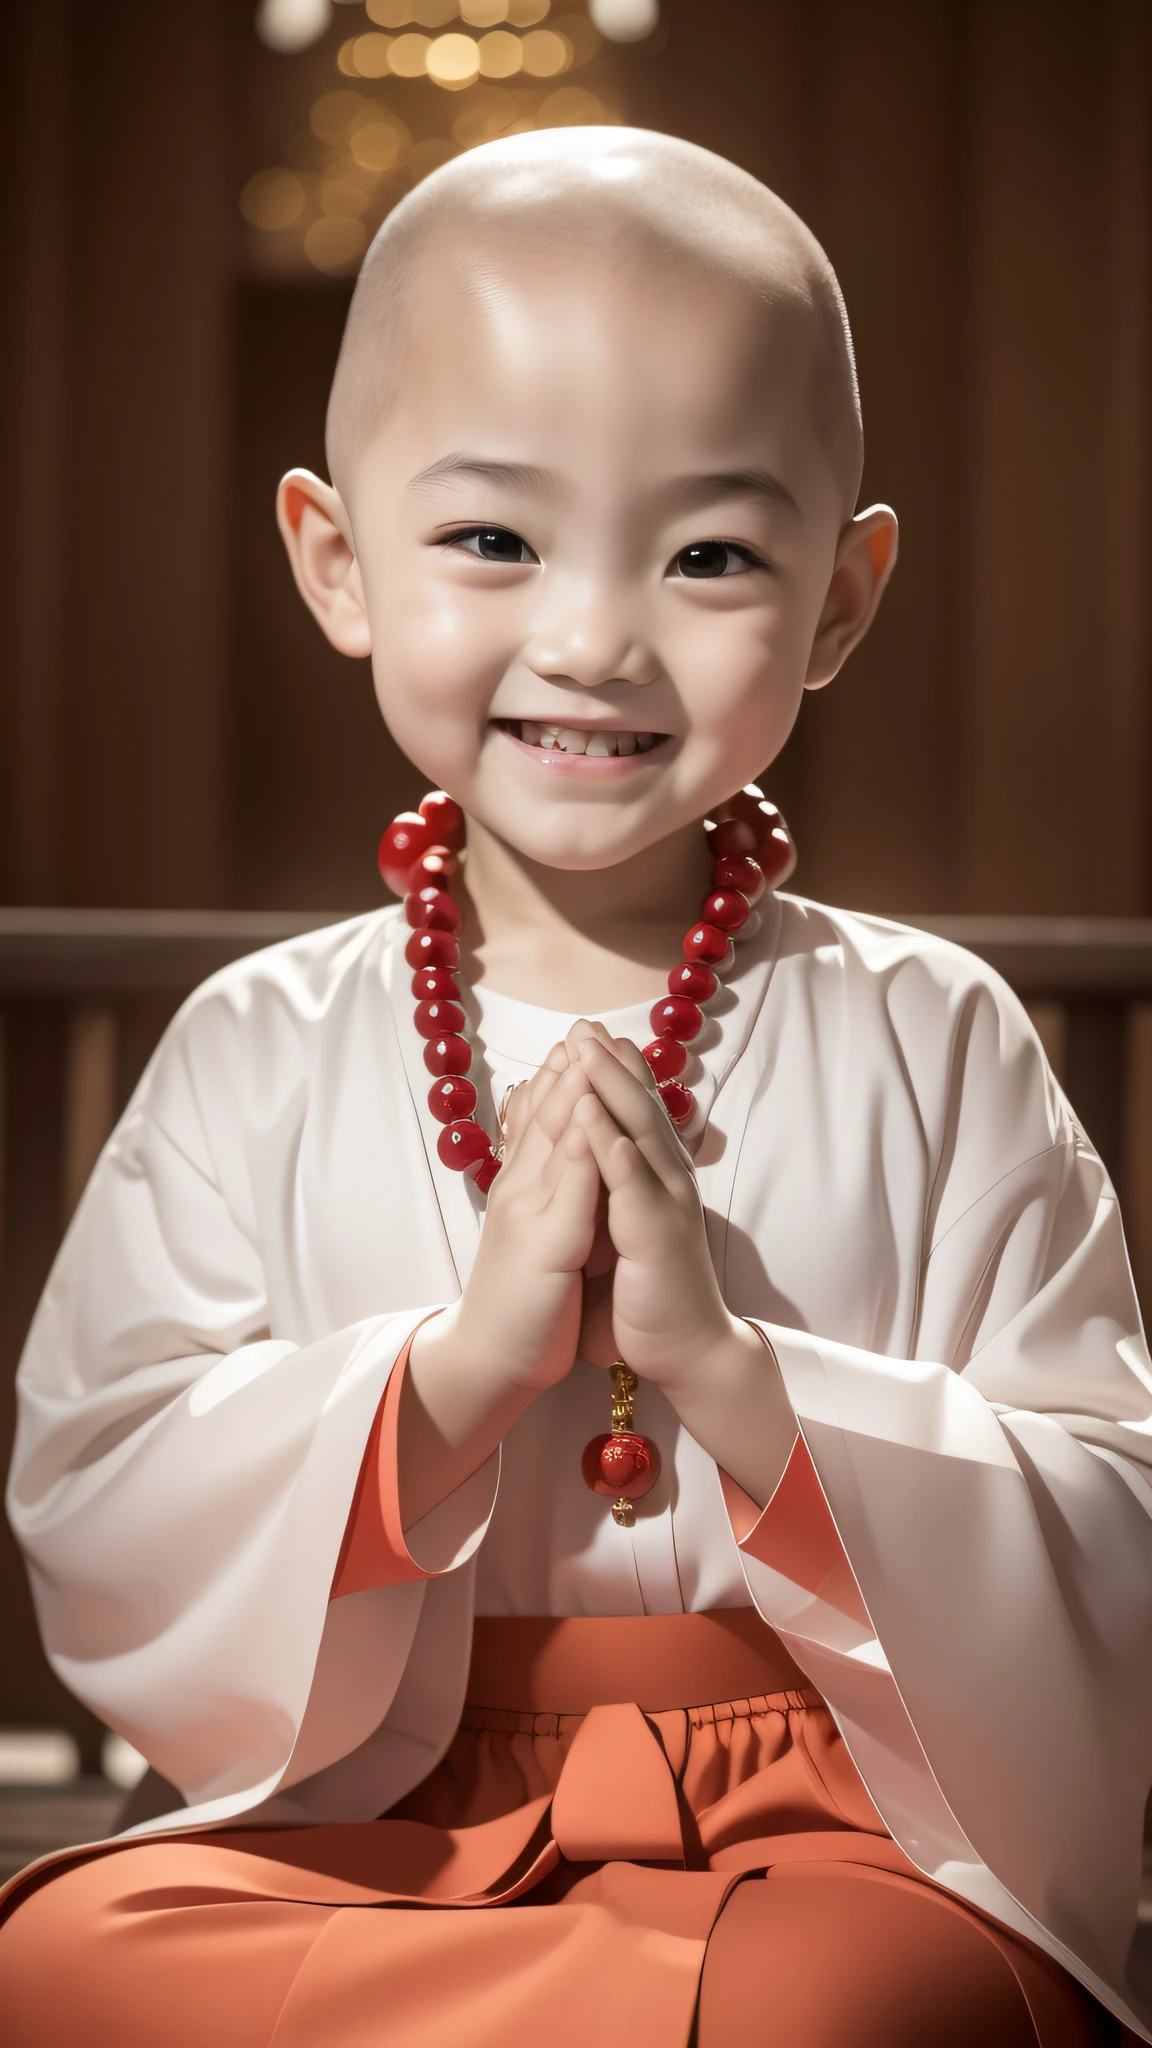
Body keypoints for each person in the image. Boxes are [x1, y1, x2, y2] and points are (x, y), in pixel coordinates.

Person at [1, 126, 1150, 2047]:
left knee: (858, 2004)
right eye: (492, 539)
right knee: (60, 1966)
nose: (596, 636)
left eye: (709, 553)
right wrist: (451, 1381)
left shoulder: (935, 1033)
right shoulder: (258, 1042)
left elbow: (1109, 1525)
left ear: (845, 600)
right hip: (357, 1793)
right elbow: (103, 1486)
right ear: (336, 560)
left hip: (827, 1816)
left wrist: (736, 1374)